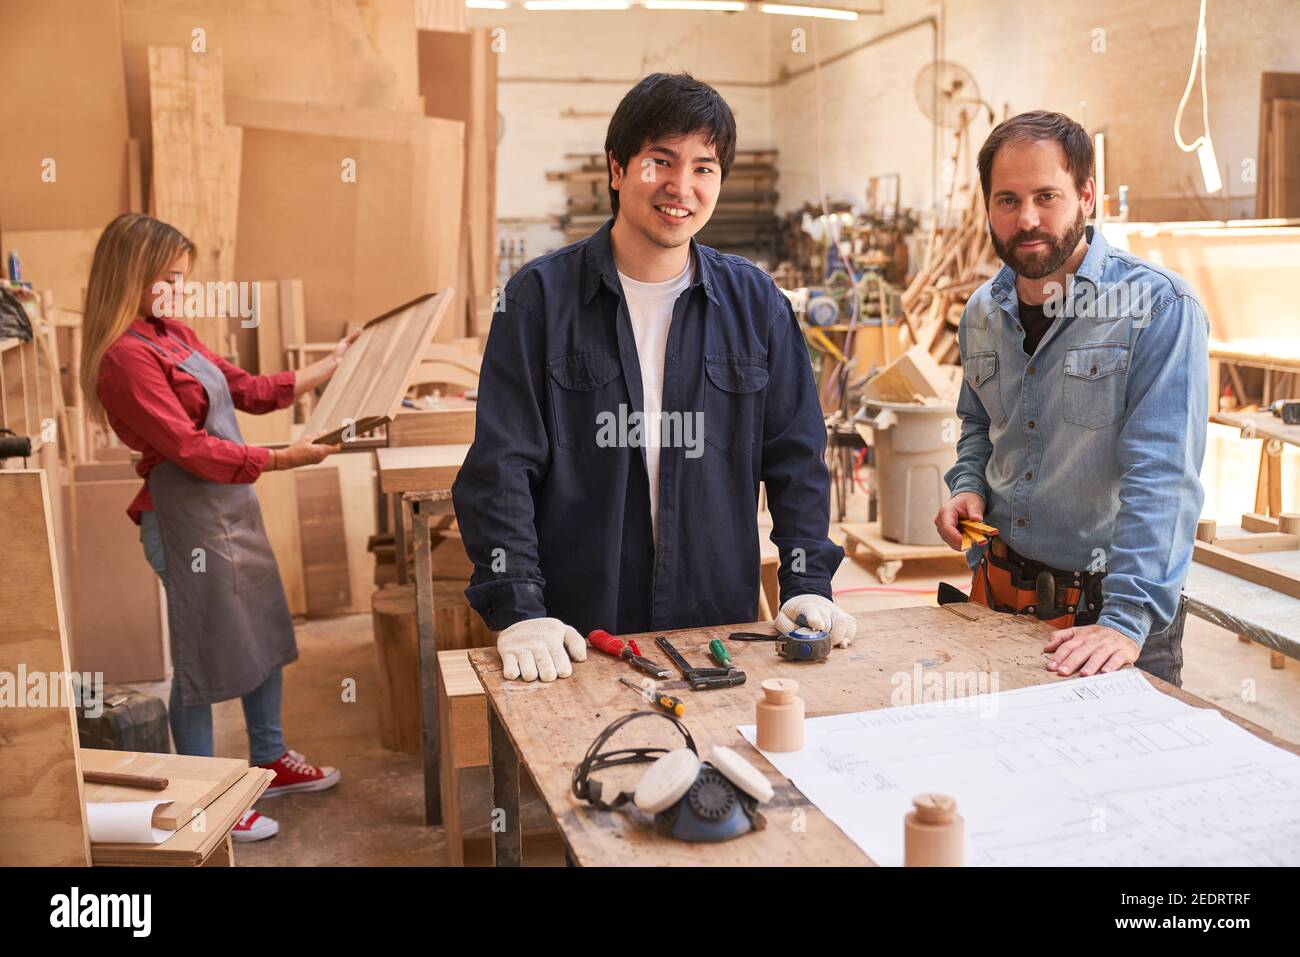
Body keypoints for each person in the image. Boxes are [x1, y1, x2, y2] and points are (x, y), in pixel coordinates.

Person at [452, 73, 854, 682]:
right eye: (660, 161)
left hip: (717, 625)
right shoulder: (539, 300)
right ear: (618, 168)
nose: (681, 187)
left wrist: (806, 582)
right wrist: (519, 607)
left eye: (704, 168)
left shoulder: (757, 304)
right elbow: (501, 466)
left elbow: (795, 457)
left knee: (723, 772)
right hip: (579, 636)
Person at [83, 213, 351, 841]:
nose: (180, 291)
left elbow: (249, 389)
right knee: (203, 657)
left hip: (230, 507)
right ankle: (206, 797)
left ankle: (269, 758)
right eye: (170, 279)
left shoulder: (172, 333)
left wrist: (331, 365)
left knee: (262, 631)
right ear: (134, 276)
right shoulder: (123, 358)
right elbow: (189, 447)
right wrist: (285, 457)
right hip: (186, 516)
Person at [935, 111, 1209, 686]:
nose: (1027, 218)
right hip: (1000, 597)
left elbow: (1163, 477)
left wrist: (1125, 621)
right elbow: (979, 426)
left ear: (1087, 196)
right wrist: (967, 489)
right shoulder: (983, 312)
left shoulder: (1158, 310)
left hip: (1106, 624)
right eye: (1007, 199)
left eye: (1047, 196)